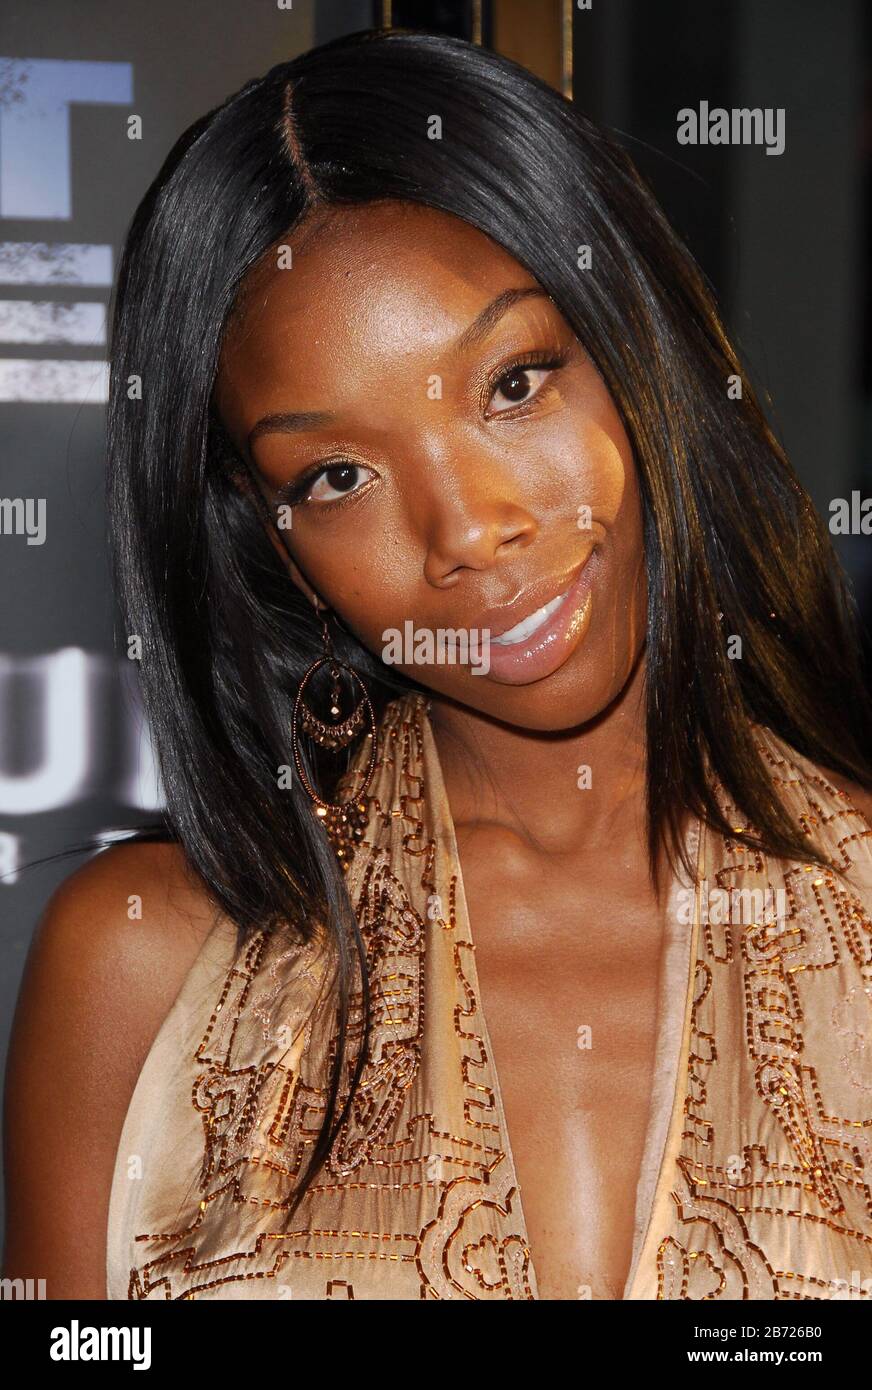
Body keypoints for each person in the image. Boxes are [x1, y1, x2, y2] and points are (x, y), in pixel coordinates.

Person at [4, 27, 872, 1302]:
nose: (470, 531)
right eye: (338, 476)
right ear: (279, 548)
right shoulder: (141, 964)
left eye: (514, 383)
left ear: (641, 360)